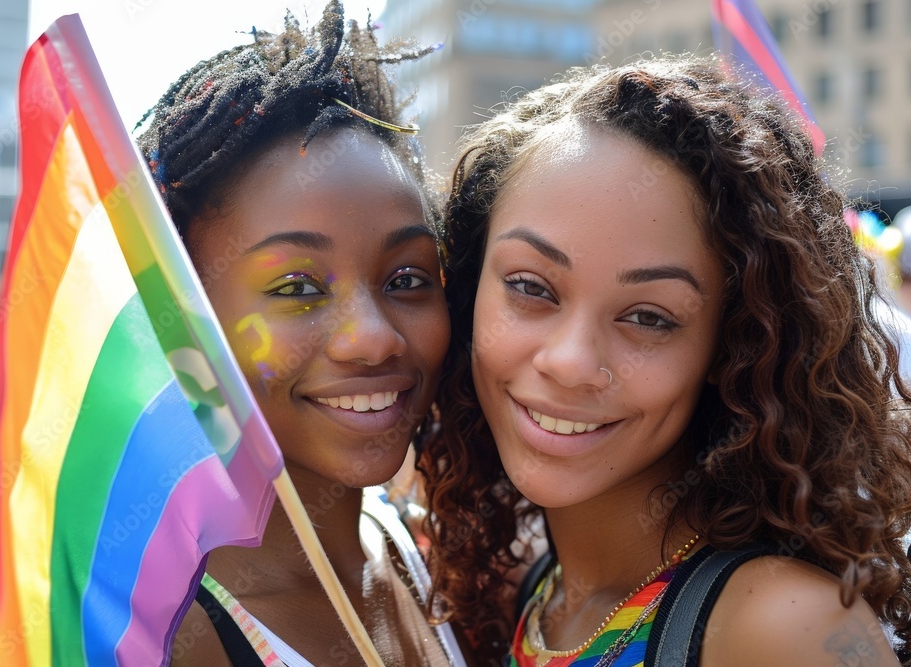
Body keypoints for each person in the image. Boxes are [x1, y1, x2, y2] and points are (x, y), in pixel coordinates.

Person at [418, 54, 911, 667]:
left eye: (649, 318)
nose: (571, 361)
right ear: (467, 290)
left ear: (732, 345)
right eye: (530, 287)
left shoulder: (784, 628)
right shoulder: (530, 592)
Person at [136, 3, 465, 665]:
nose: (373, 340)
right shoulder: (166, 638)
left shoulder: (417, 553)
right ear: (185, 315)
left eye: (405, 278)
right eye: (297, 288)